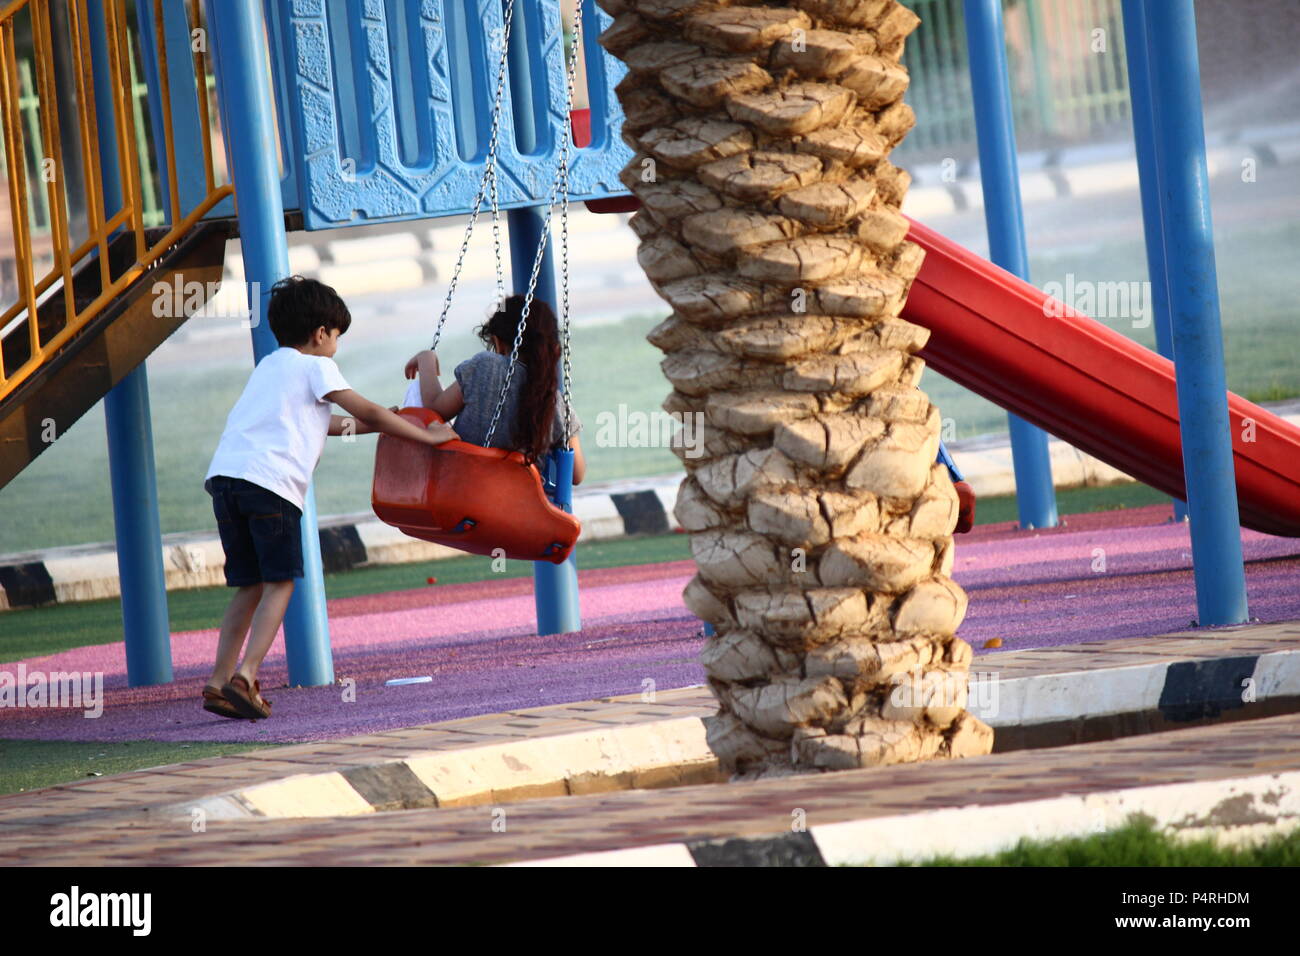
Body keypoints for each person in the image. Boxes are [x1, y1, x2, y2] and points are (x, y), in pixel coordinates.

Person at [202, 276, 457, 720]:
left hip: (226, 481)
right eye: (336, 336)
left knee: (249, 585)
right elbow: (366, 411)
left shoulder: (270, 367)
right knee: (281, 581)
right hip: (271, 485)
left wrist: (385, 423)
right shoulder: (316, 366)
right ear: (321, 333)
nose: (336, 345)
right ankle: (247, 675)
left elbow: (335, 425)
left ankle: (218, 681)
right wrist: (426, 436)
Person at [402, 294, 585, 484]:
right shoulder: (555, 403)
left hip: (462, 491)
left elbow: (434, 408)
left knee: (418, 395)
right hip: (521, 505)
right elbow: (576, 475)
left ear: (498, 343)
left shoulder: (485, 366)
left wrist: (427, 359)